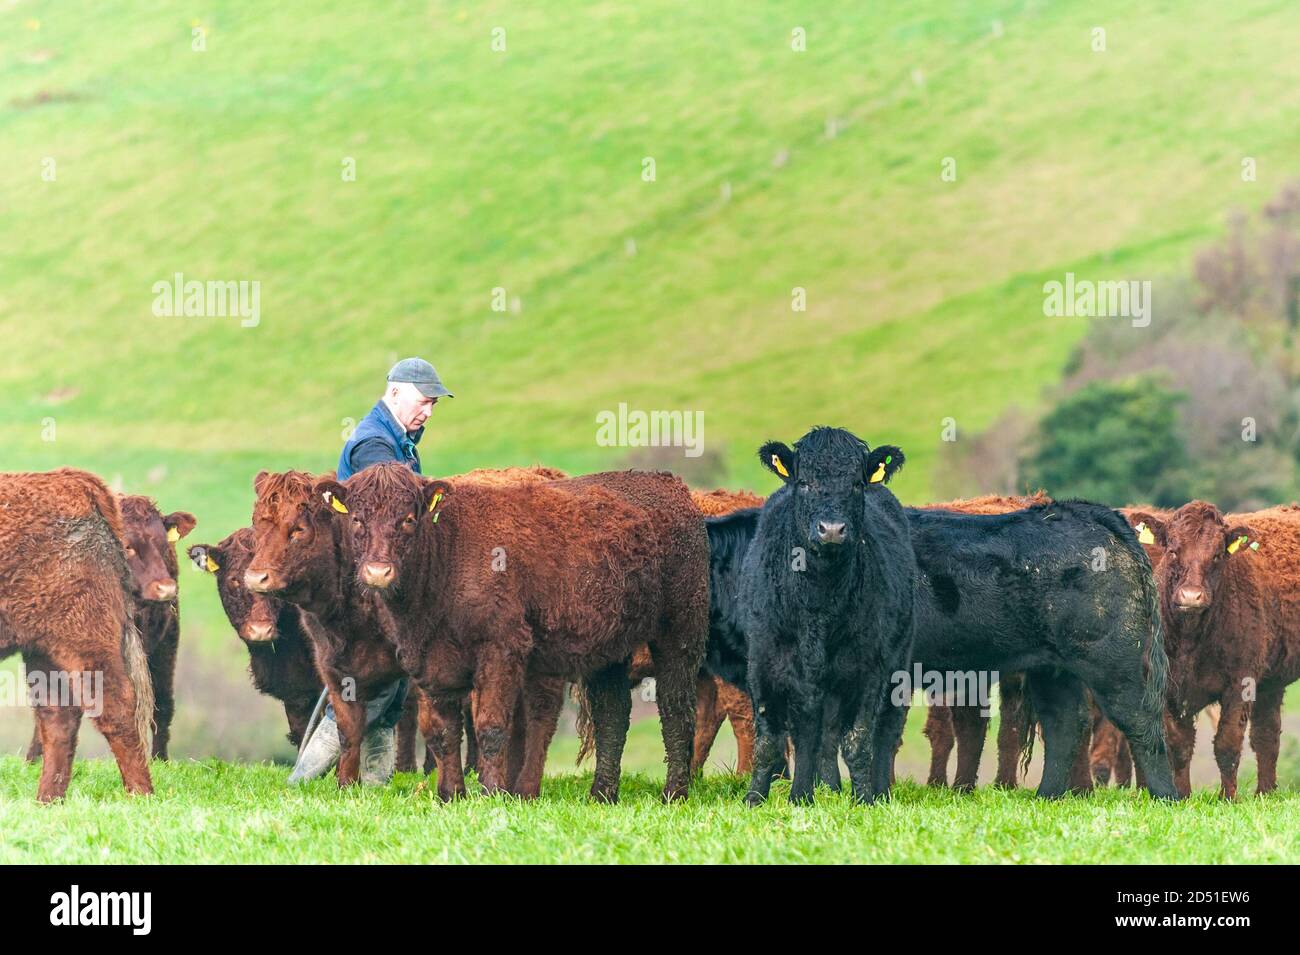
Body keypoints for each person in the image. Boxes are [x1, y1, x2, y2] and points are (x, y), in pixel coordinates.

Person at [288, 357, 453, 784]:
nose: (427, 412)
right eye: (422, 401)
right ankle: (302, 779)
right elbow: (384, 511)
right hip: (367, 583)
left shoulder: (400, 439)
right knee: (368, 684)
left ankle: (376, 781)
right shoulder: (374, 444)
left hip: (377, 576)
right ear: (394, 392)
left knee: (389, 685)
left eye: (433, 404)